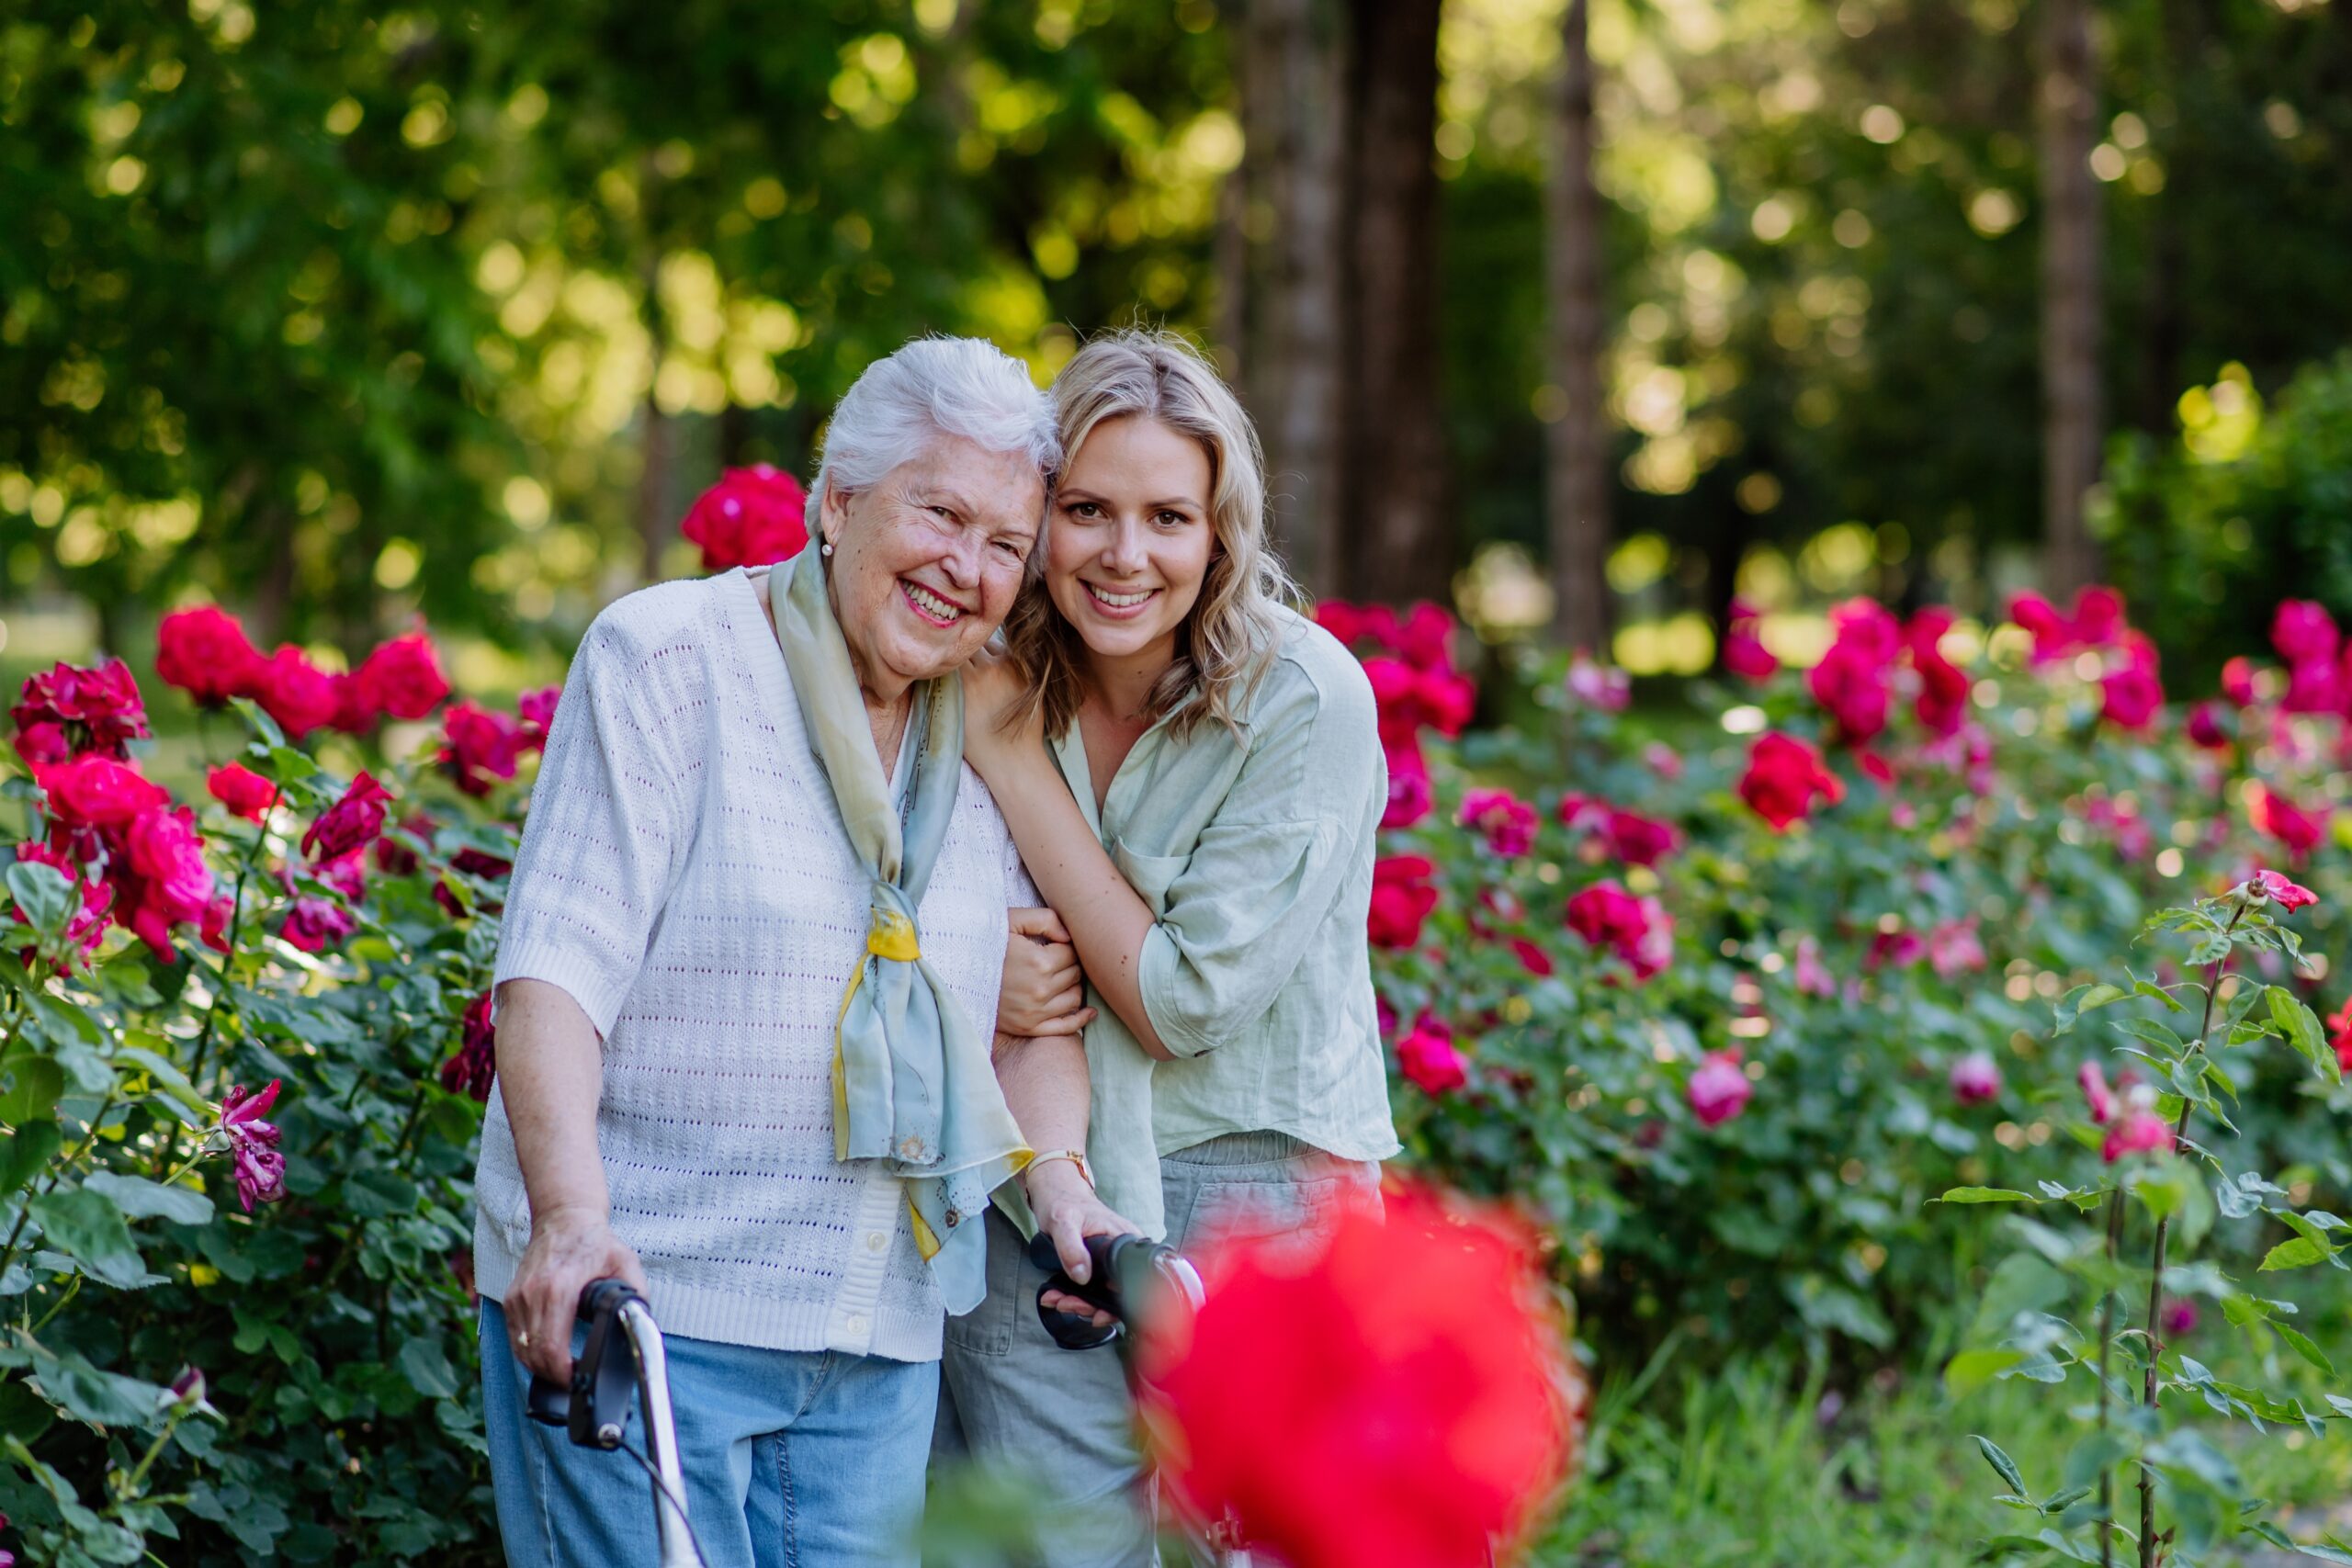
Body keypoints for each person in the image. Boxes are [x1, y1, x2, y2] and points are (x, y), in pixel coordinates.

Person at [474, 335, 1133, 1568]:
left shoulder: (985, 728)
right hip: (648, 1313)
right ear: (837, 502)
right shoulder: (673, 661)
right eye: (938, 513)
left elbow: (1029, 1016)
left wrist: (1064, 1188)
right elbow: (554, 969)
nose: (967, 569)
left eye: (1005, 545)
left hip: (875, 1336)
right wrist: (568, 1222)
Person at [943, 330, 1401, 1566]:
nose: (1124, 555)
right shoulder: (987, 667)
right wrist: (981, 975)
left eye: (1168, 517)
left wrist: (1010, 763)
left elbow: (1186, 1001)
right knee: (1056, 1551)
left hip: (1254, 1187)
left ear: (1221, 531)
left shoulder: (1302, 697)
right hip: (1033, 1183)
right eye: (1086, 509)